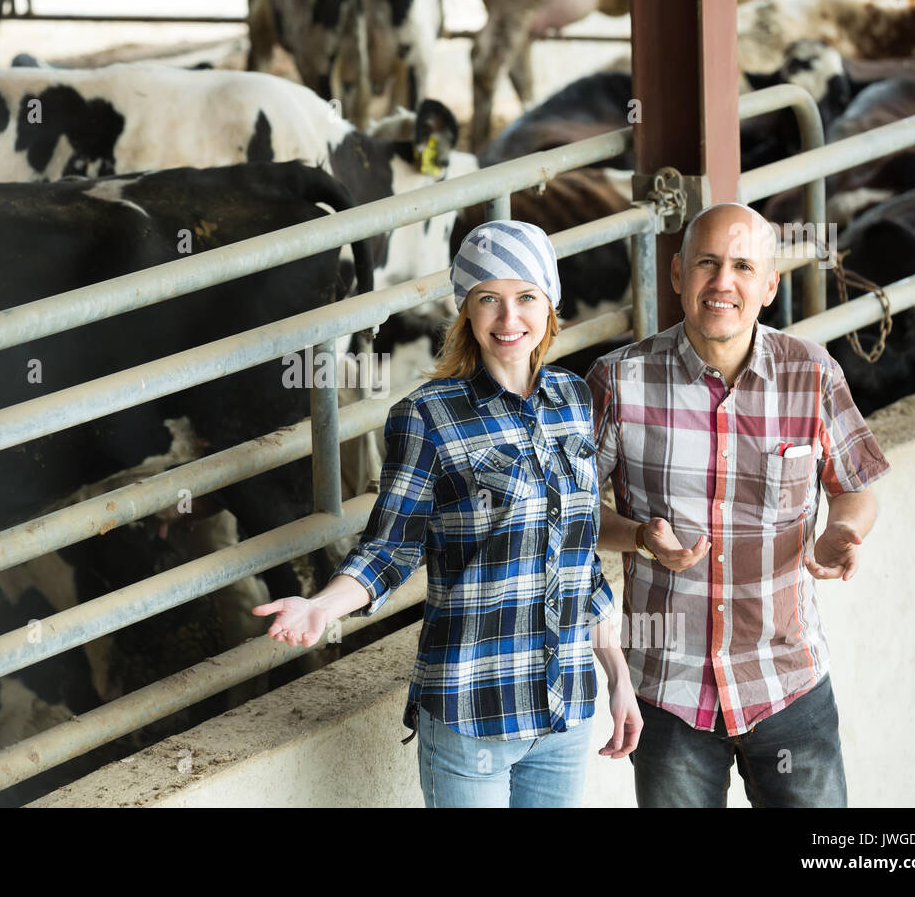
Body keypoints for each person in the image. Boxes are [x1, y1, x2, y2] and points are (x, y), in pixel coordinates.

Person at [253, 219, 641, 808]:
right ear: (465, 310)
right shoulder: (428, 416)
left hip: (565, 706)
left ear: (549, 304)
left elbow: (579, 556)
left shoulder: (573, 400)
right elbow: (391, 547)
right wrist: (323, 605)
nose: (509, 320)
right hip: (470, 709)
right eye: (489, 299)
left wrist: (616, 674)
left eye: (526, 298)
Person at [586, 201, 891, 808]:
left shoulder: (812, 373)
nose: (723, 282)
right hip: (669, 694)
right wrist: (642, 537)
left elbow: (855, 488)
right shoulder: (618, 380)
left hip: (788, 682)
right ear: (677, 275)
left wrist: (843, 531)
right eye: (707, 263)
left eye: (743, 266)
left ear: (769, 285)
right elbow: (572, 514)